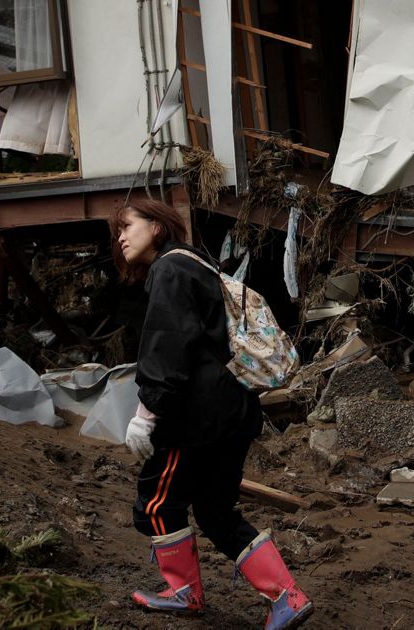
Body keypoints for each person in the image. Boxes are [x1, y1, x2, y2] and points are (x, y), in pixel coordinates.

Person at [110, 199, 313, 628]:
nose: (121, 237)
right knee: (216, 511)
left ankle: (184, 593)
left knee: (157, 503)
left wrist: (147, 411)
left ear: (157, 228)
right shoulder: (199, 265)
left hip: (196, 418)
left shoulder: (169, 270)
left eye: (127, 226)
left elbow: (167, 344)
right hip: (234, 407)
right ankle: (287, 597)